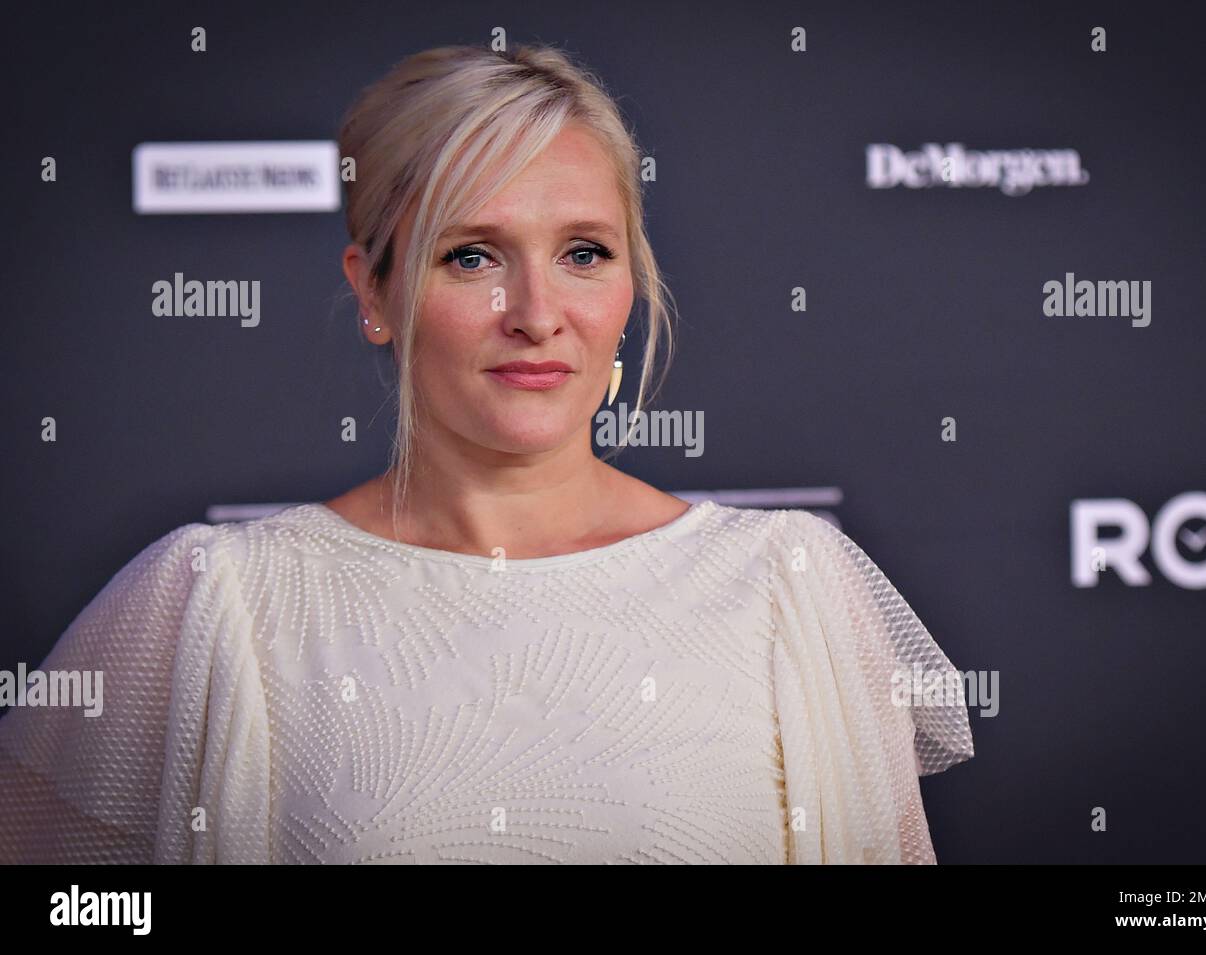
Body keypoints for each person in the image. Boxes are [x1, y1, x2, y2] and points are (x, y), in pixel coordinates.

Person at [0, 44, 973, 864]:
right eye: (471, 255)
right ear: (374, 293)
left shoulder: (790, 586)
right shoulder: (214, 601)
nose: (538, 315)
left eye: (583, 252)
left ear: (631, 284)